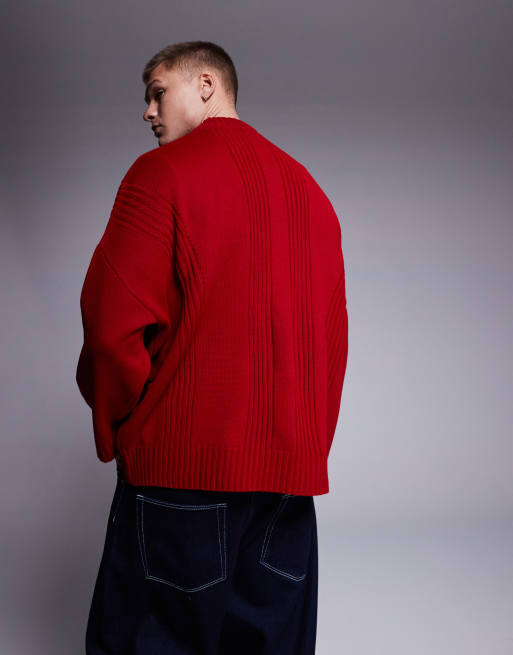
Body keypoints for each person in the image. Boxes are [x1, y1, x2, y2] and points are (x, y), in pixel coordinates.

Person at [76, 40, 348, 655]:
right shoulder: (311, 192)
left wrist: (123, 429)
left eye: (157, 92)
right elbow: (331, 346)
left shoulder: (159, 174)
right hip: (286, 486)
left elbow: (111, 324)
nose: (147, 111)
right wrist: (300, 449)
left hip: (179, 476)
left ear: (206, 84)